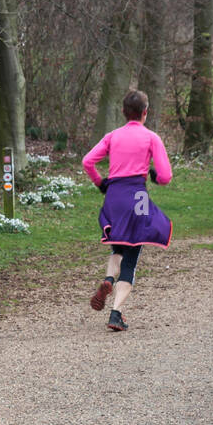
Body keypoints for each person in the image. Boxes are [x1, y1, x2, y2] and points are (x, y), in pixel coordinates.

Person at [81, 89, 173, 331]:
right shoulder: (151, 137)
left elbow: (87, 161)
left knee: (117, 245)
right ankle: (115, 314)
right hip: (137, 195)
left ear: (123, 113)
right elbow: (165, 176)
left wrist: (101, 183)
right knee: (132, 255)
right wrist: (154, 175)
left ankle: (108, 278)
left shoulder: (112, 136)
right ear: (145, 112)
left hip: (115, 195)